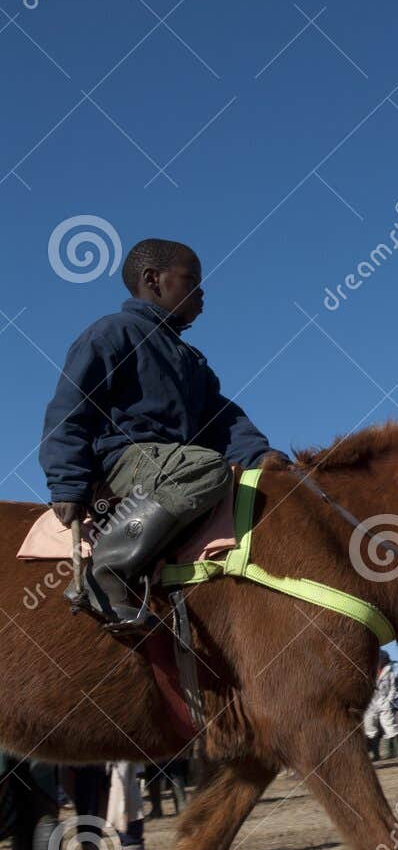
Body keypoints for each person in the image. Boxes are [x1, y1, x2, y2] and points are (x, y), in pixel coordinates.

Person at [39, 238, 282, 628]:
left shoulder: (189, 358)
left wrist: (261, 457)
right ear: (154, 279)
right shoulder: (111, 333)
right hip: (124, 460)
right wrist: (67, 483)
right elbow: (70, 407)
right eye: (192, 282)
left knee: (247, 487)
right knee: (207, 469)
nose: (202, 294)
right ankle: (108, 573)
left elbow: (222, 418)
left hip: (171, 465)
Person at [363, 653, 398, 761]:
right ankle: (375, 754)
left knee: (390, 725)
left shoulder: (389, 672)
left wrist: (389, 700)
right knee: (370, 729)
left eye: (383, 660)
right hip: (370, 704)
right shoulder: (367, 672)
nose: (381, 661)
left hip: (384, 702)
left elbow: (393, 688)